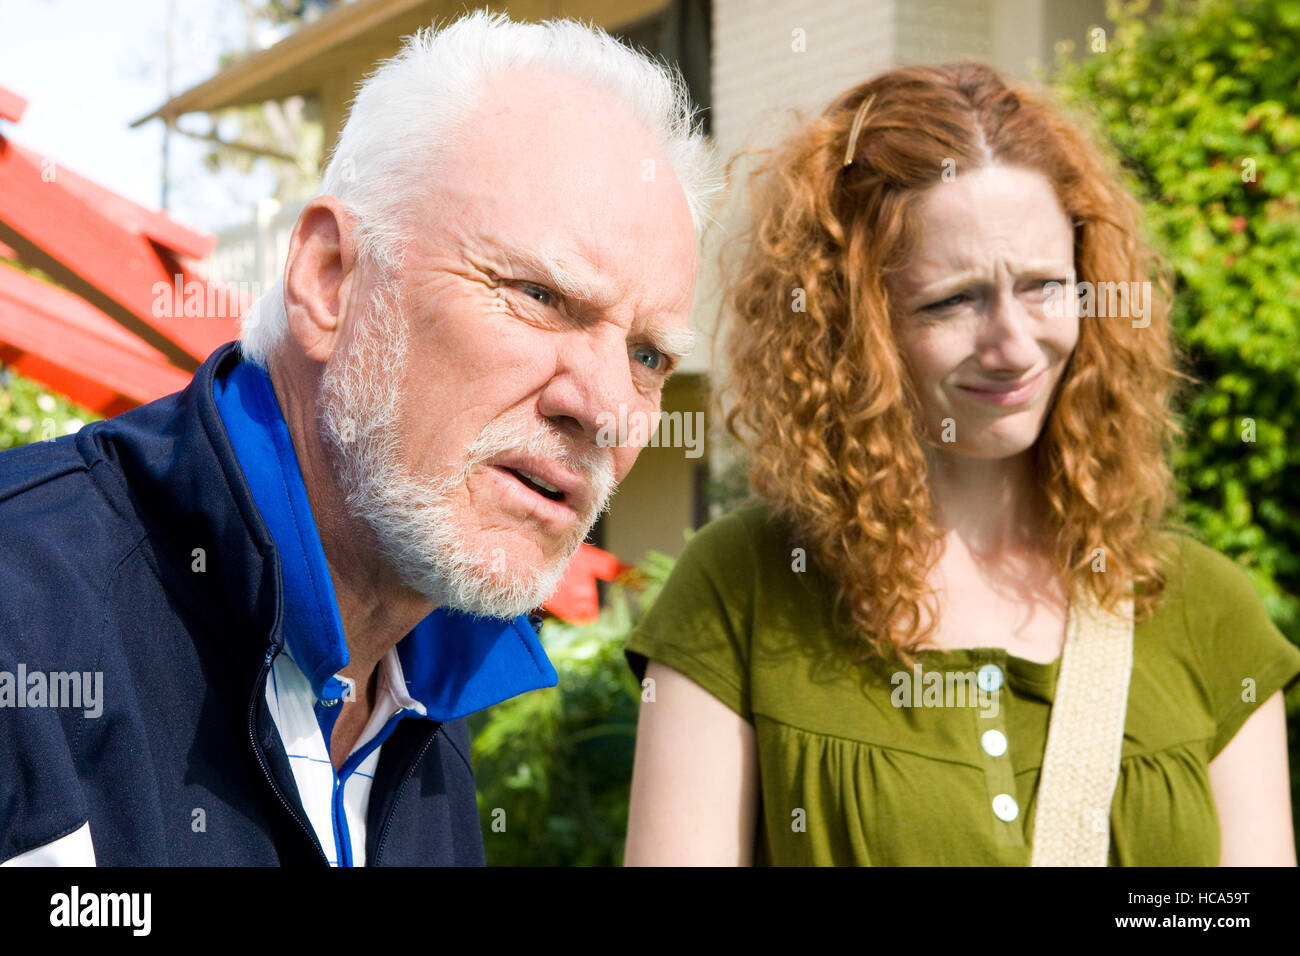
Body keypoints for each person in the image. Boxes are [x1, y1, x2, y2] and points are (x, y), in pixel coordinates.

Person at [0, 10, 713, 866]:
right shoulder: (25, 620)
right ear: (331, 279)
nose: (611, 411)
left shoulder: (423, 716)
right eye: (539, 294)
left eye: (647, 354)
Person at [623, 62, 1300, 866]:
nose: (1014, 346)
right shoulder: (742, 589)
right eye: (955, 300)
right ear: (853, 326)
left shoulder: (1205, 609)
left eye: (1046, 286)